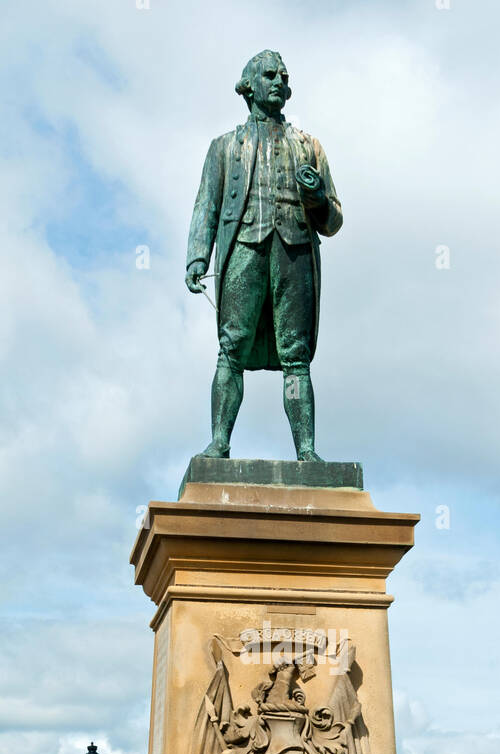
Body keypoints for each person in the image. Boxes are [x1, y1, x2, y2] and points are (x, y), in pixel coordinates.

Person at [186, 50, 342, 461]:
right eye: (270, 75)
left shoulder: (308, 146)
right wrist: (197, 257)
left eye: (283, 77)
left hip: (295, 251)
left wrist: (316, 196)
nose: (278, 82)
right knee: (231, 347)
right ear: (249, 86)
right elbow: (206, 204)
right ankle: (219, 443)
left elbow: (333, 220)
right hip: (244, 248)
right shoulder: (224, 147)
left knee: (297, 355)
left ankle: (307, 452)